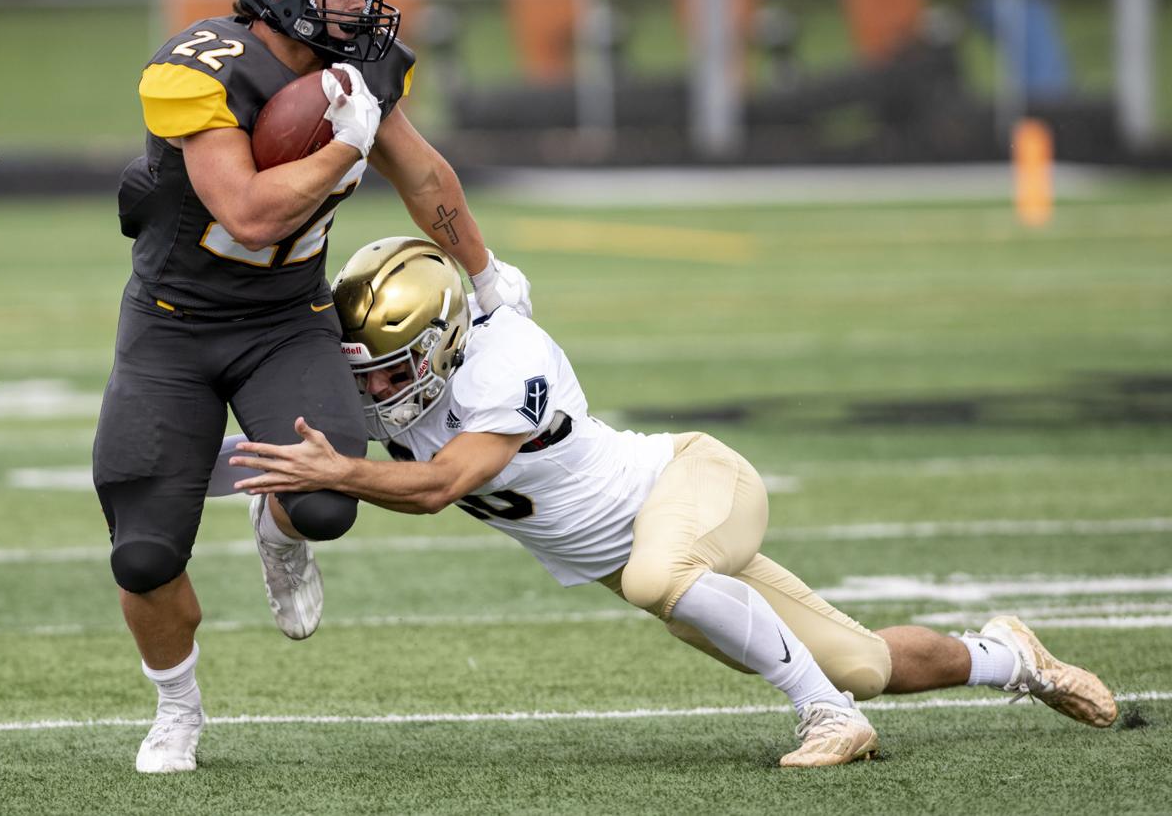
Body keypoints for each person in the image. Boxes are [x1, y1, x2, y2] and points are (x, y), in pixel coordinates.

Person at [226, 237, 1118, 768]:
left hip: (692, 485)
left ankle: (833, 721)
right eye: (366, 374)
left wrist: (339, 475)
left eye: (392, 367)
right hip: (649, 553)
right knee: (865, 658)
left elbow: (435, 488)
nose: (379, 390)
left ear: (447, 339)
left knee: (665, 577)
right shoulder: (412, 395)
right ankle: (1010, 656)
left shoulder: (508, 360)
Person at [92, 0, 530, 775]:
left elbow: (425, 175)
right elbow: (249, 216)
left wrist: (487, 278)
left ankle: (276, 522)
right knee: (142, 555)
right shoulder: (196, 69)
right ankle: (178, 707)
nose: (362, 9)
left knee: (326, 505)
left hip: (286, 317)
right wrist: (341, 145)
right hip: (172, 328)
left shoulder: (364, 66)